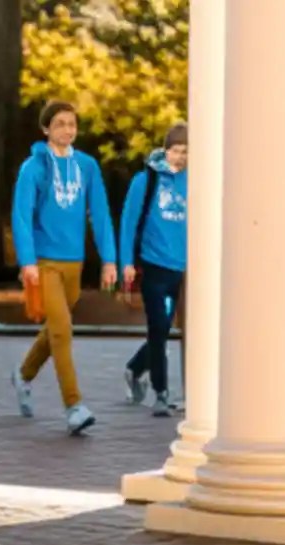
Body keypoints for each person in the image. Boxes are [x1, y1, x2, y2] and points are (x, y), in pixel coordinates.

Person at [9, 101, 117, 435]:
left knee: (56, 329)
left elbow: (99, 214)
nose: (67, 130)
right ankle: (74, 406)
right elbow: (22, 216)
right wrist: (27, 262)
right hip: (44, 262)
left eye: (71, 124)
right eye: (59, 124)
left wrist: (109, 259)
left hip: (75, 263)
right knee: (62, 330)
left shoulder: (87, 166)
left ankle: (23, 374)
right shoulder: (33, 167)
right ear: (46, 129)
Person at [119, 123, 188, 417]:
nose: (181, 157)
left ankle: (135, 368)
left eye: (186, 152)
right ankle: (161, 393)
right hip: (154, 265)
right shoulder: (146, 181)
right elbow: (128, 223)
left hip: (185, 270)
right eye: (176, 150)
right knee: (158, 327)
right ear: (165, 149)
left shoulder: (196, 180)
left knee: (166, 329)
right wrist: (126, 264)